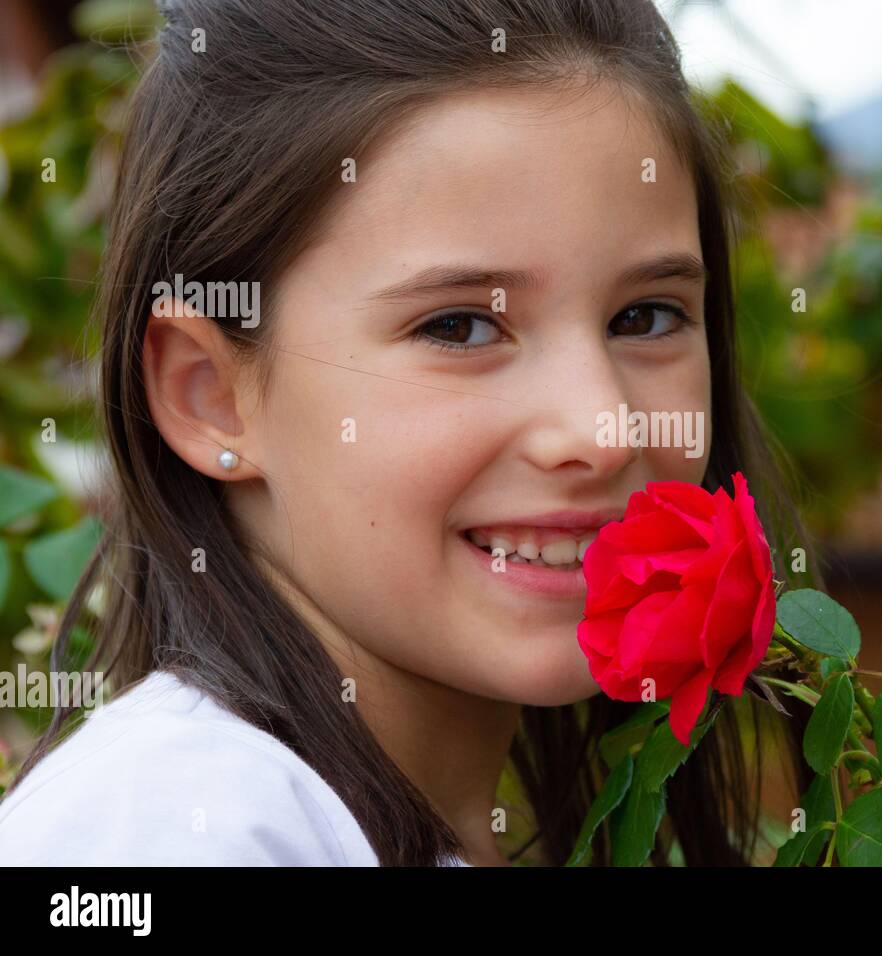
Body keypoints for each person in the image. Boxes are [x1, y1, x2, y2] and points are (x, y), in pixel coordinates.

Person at [0, 0, 820, 866]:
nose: (602, 427)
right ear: (210, 396)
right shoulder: (173, 833)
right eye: (460, 327)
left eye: (645, 316)